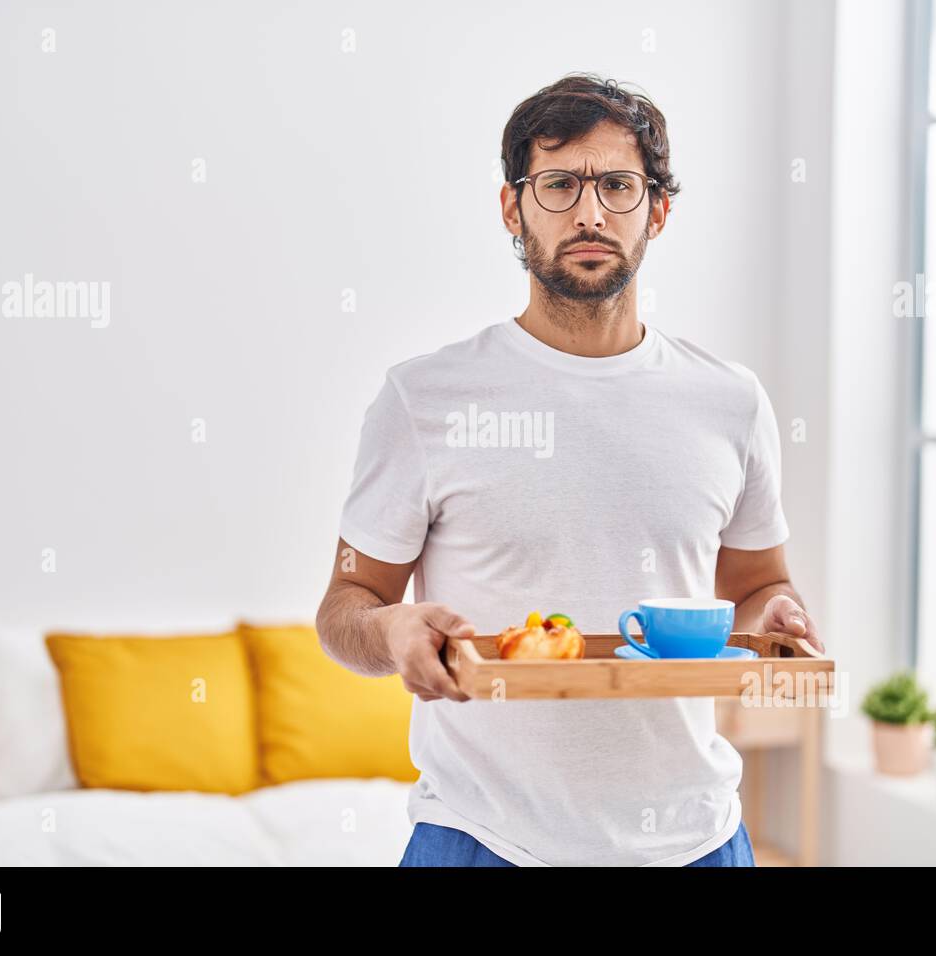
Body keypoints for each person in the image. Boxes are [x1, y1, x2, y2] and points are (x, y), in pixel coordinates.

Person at [315, 72, 823, 867]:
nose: (589, 213)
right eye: (559, 184)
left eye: (618, 185)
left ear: (657, 210)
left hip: (697, 839)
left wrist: (779, 616)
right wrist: (389, 628)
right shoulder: (423, 398)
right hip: (481, 838)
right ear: (513, 208)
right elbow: (347, 605)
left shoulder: (731, 402)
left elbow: (760, 586)